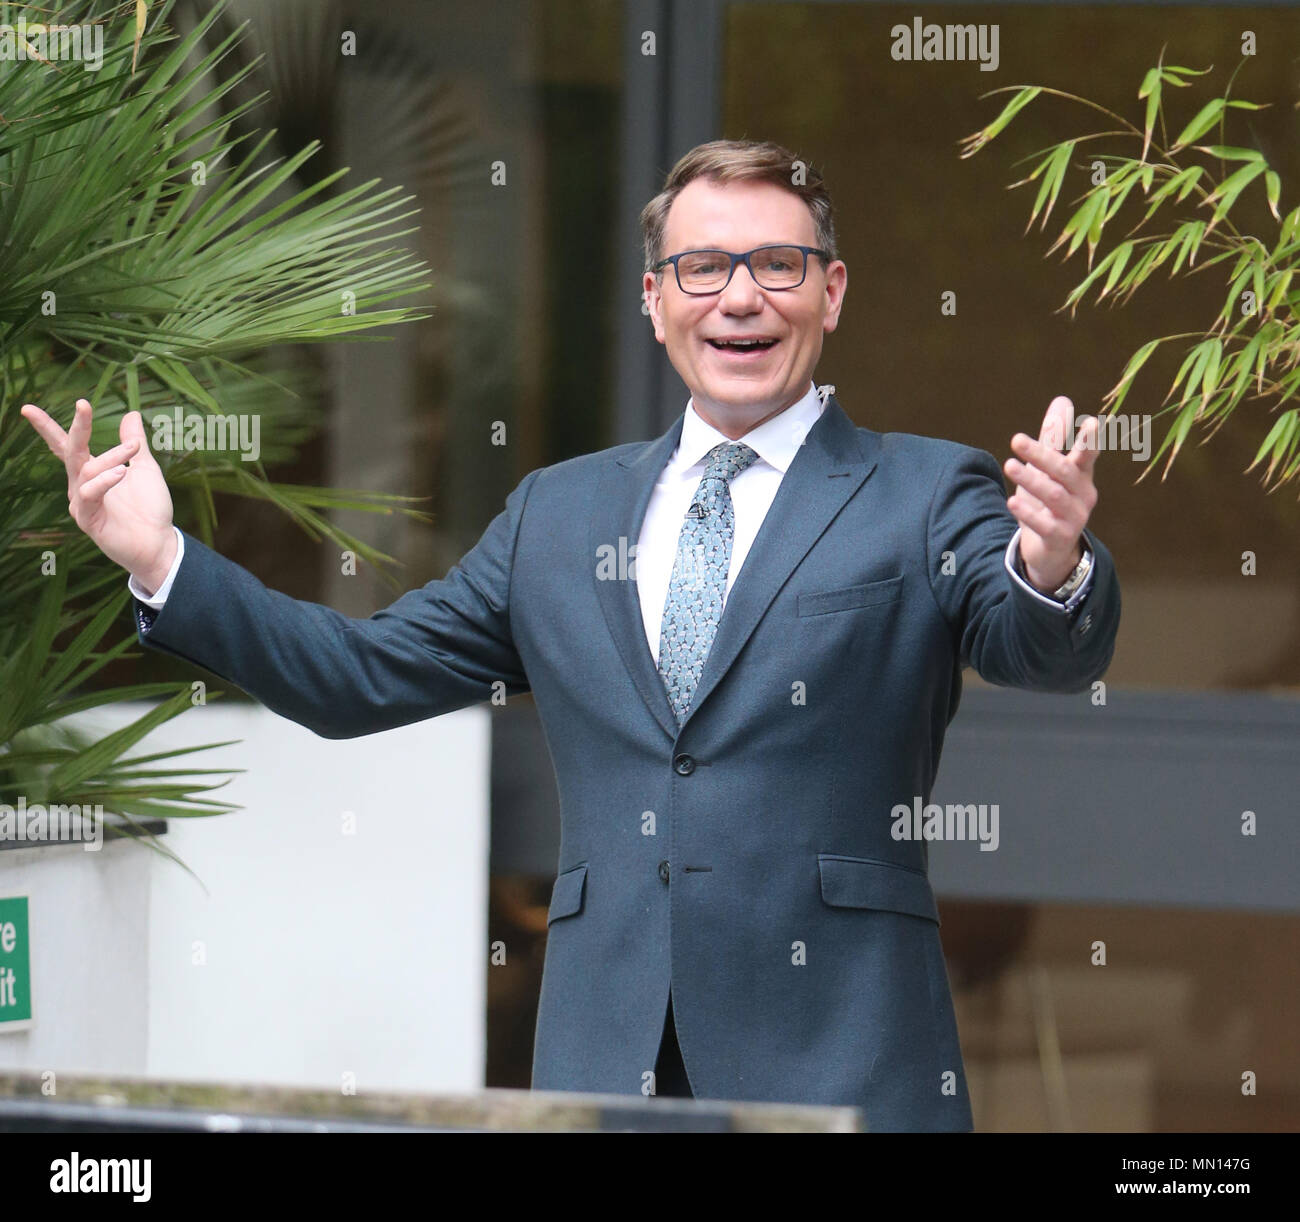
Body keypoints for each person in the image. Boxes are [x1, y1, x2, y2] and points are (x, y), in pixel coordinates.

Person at [22, 138, 1119, 1131]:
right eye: (702, 267)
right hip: (609, 1062)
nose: (740, 295)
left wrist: (1052, 562)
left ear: (830, 292)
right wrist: (160, 560)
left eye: (776, 265)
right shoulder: (560, 513)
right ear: (653, 299)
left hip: (844, 1057)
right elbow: (357, 676)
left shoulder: (923, 491)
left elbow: (1039, 643)